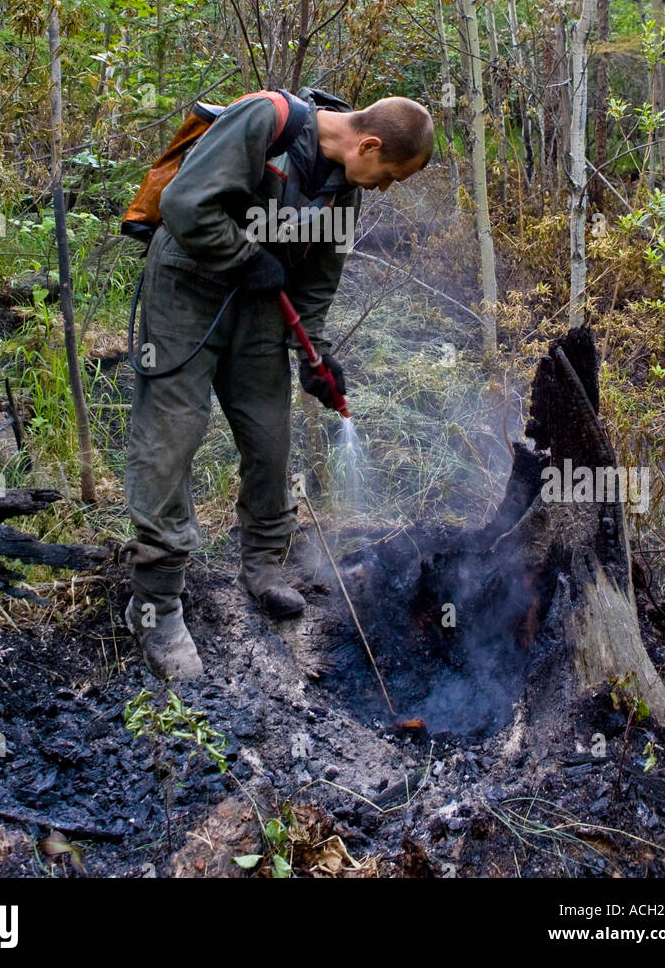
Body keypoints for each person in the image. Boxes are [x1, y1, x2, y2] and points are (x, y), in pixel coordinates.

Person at [121, 85, 435, 679]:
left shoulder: (344, 187)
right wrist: (244, 258)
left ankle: (265, 566)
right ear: (368, 144)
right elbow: (188, 204)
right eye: (389, 175)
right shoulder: (267, 120)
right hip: (187, 292)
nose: (384, 188)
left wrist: (315, 353)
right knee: (171, 437)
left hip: (261, 306)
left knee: (269, 438)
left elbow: (318, 277)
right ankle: (157, 602)